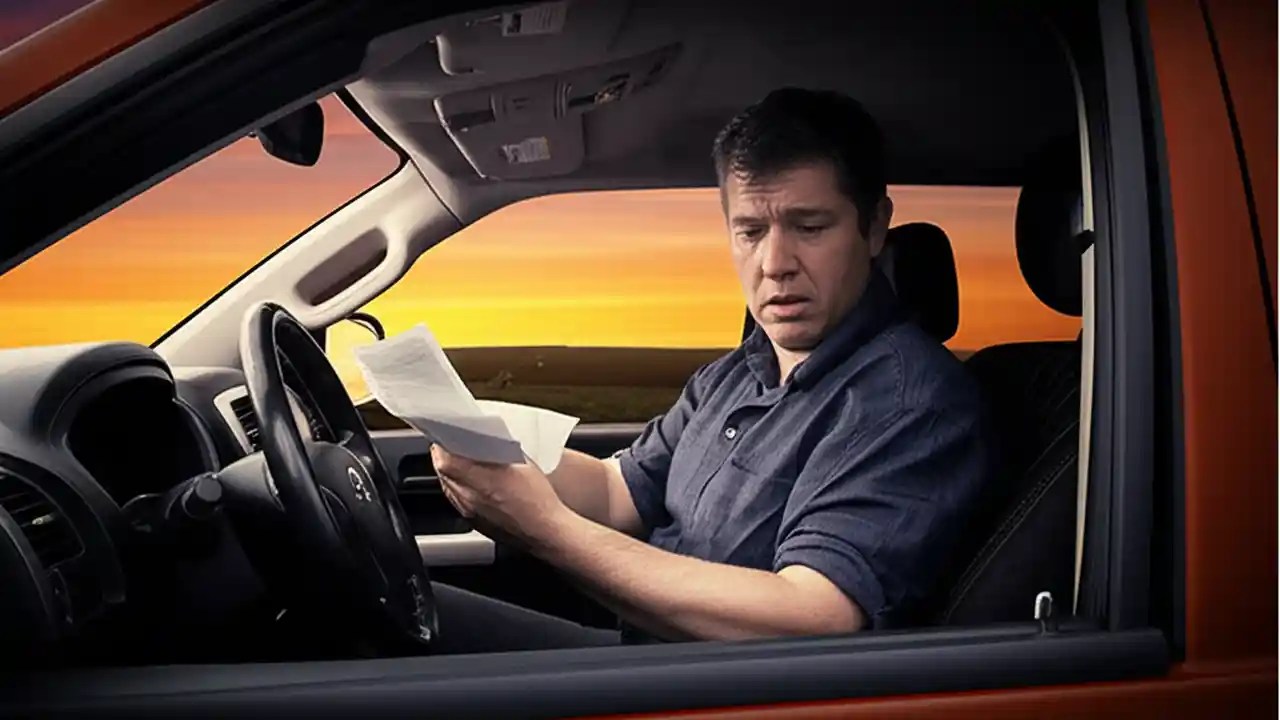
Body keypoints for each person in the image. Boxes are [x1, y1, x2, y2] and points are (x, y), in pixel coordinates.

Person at [426, 87, 991, 653]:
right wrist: (486, 448)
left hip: (713, 691)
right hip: (641, 653)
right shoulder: (733, 375)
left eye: (810, 227)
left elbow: (814, 613)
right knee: (405, 615)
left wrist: (547, 530)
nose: (774, 265)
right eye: (750, 232)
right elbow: (617, 489)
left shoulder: (909, 404)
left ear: (873, 229)